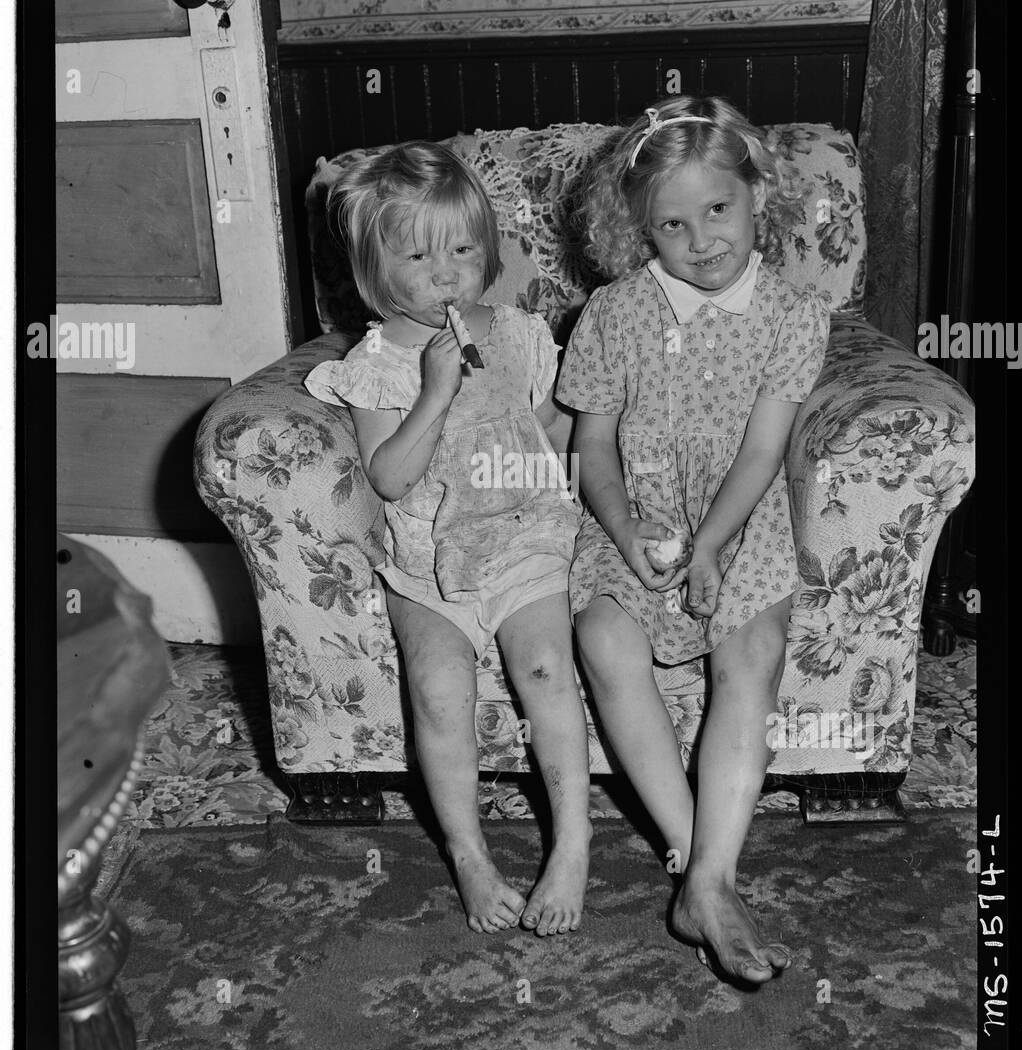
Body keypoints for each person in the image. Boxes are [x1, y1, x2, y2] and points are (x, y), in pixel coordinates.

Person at [556, 95, 830, 983]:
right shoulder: (610, 312)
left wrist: (711, 545)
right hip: (631, 510)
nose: (701, 237)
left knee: (751, 650)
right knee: (602, 637)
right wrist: (626, 529)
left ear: (757, 197)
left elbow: (760, 450)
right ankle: (697, 872)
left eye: (718, 209)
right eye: (672, 224)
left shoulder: (793, 313)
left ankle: (708, 879)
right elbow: (591, 444)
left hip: (732, 516)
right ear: (639, 229)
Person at [304, 142, 590, 937]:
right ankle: (468, 853)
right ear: (372, 270)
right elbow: (389, 477)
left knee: (543, 664)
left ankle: (572, 839)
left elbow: (549, 429)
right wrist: (434, 393)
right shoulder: (374, 367)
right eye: (418, 255)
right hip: (425, 557)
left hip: (521, 537)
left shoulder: (520, 333)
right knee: (437, 687)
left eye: (463, 250)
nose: (445, 273)